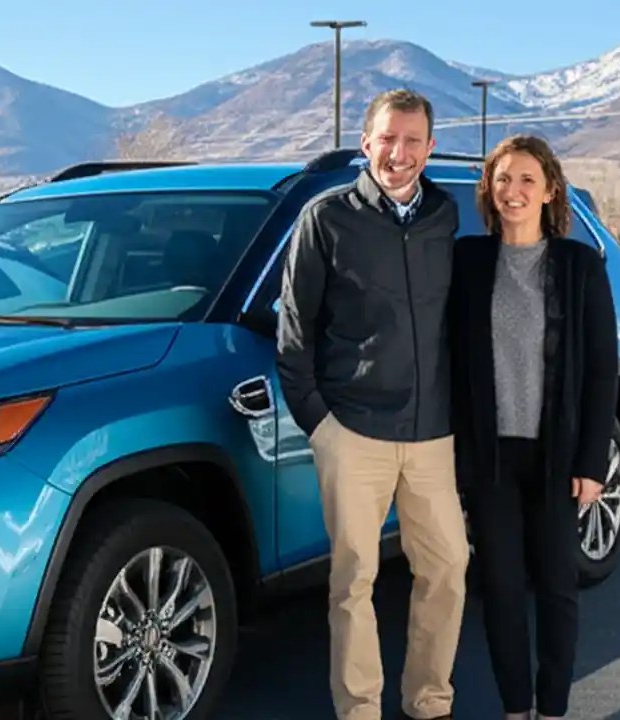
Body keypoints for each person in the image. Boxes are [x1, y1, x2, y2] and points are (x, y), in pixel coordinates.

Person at [277, 88, 468, 720]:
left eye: (413, 140)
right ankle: (360, 709)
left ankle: (429, 702)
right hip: (353, 431)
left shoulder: (445, 216)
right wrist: (321, 426)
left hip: (433, 432)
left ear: (430, 148)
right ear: (366, 143)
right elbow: (295, 334)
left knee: (447, 570)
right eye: (388, 138)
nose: (400, 152)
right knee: (352, 581)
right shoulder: (326, 219)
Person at [448, 134, 617, 720]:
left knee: (556, 587)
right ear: (489, 192)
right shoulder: (467, 262)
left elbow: (600, 371)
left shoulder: (578, 266)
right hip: (490, 458)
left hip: (558, 458)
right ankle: (516, 708)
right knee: (498, 588)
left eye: (526, 180)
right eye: (502, 180)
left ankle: (553, 709)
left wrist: (592, 464)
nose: (513, 191)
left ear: (549, 190)